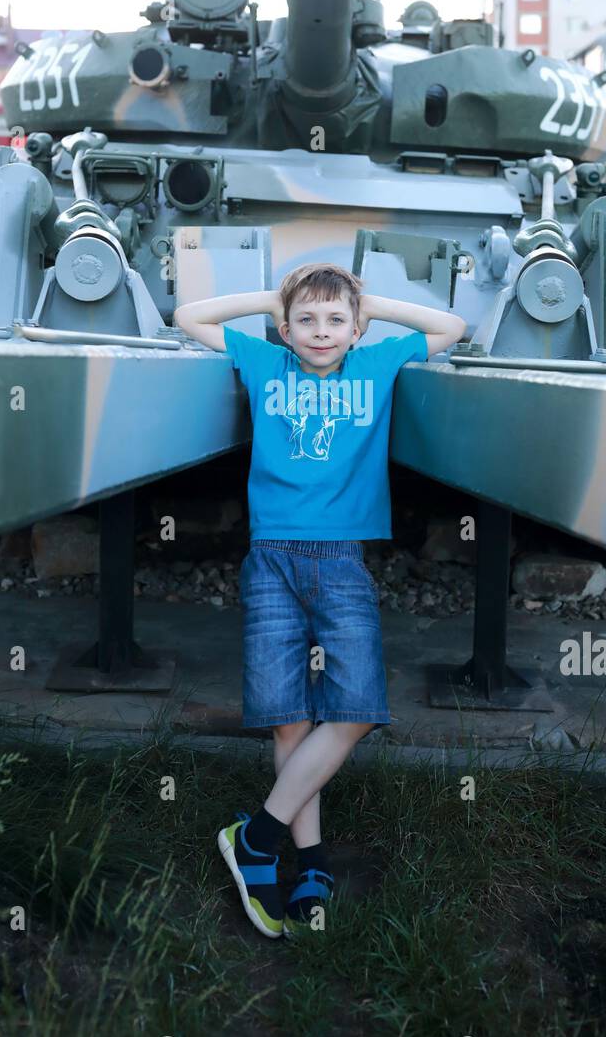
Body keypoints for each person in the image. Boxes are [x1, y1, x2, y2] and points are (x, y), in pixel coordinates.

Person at [175, 263, 466, 938]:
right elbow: (189, 318)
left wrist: (365, 302)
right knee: (287, 720)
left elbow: (452, 327)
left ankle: (256, 838)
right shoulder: (266, 361)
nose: (320, 332)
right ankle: (310, 861)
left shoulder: (377, 362)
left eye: (336, 321)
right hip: (272, 558)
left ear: (358, 328)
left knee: (356, 707)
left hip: (340, 561)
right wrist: (277, 296)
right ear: (284, 326)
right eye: (305, 319)